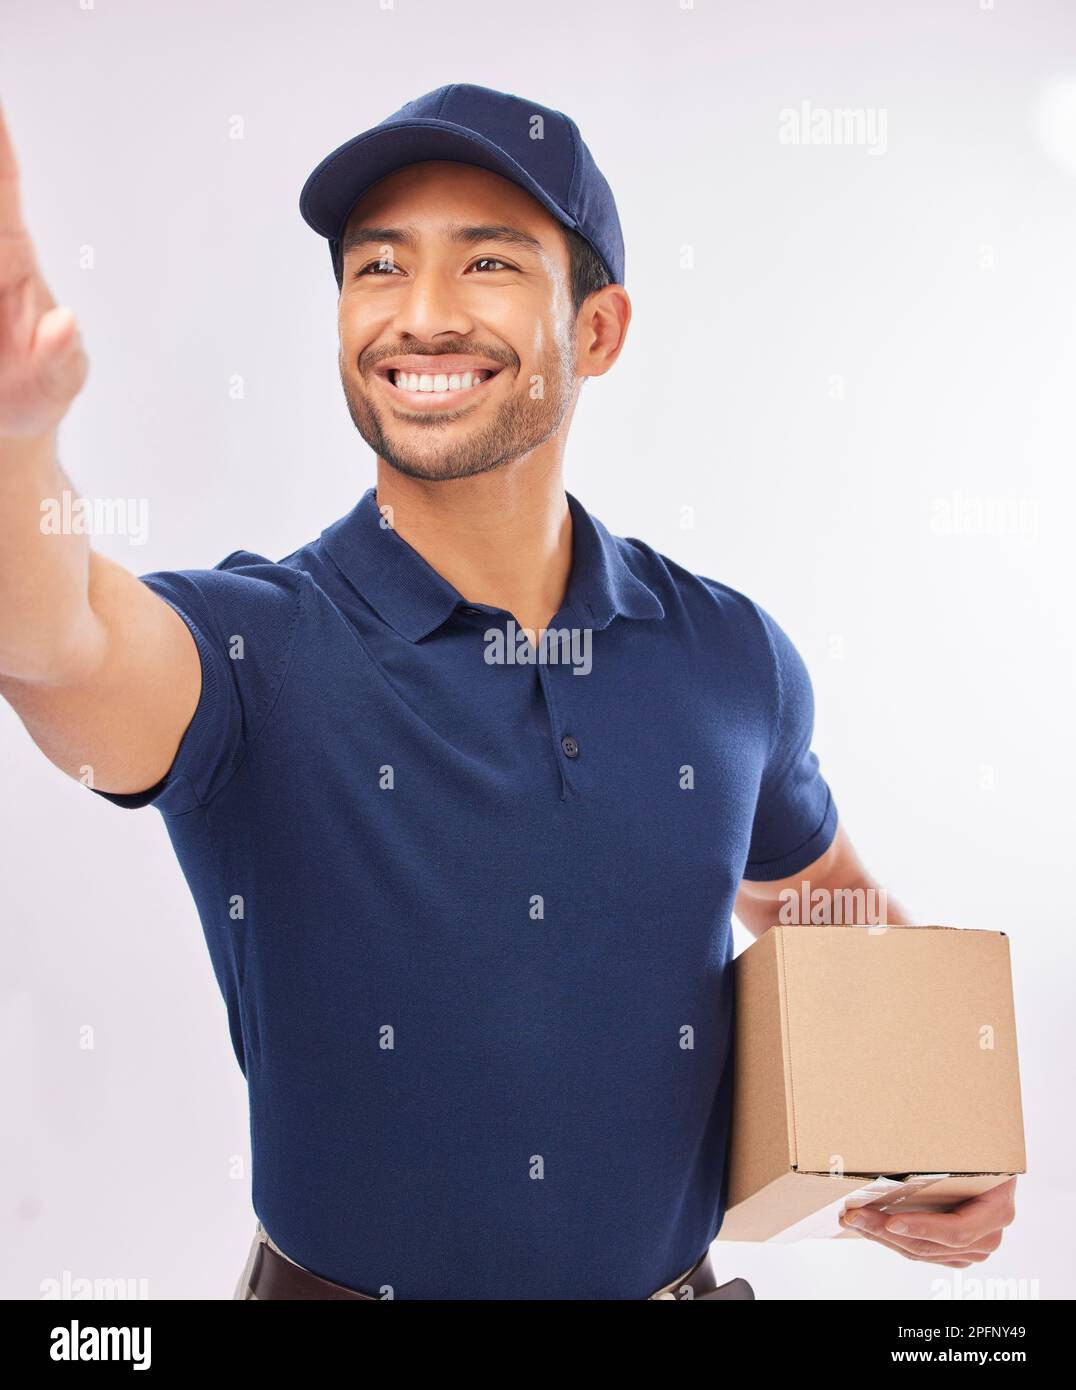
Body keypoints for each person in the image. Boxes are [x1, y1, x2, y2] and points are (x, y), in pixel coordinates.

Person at [0, 83, 1016, 1299]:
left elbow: (823, 908)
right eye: (377, 266)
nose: (420, 316)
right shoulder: (249, 648)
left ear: (597, 329)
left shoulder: (727, 654)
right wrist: (17, 446)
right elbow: (54, 635)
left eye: (486, 262)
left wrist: (951, 1126)